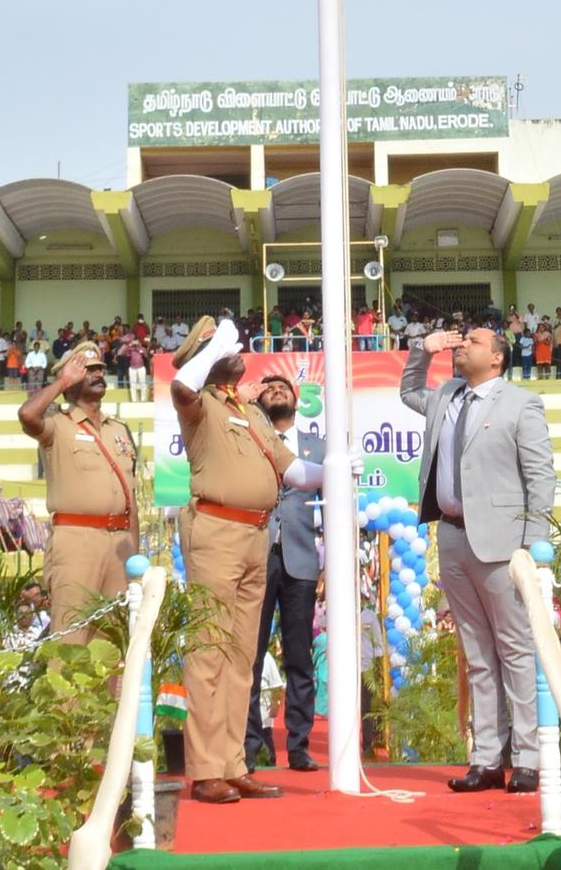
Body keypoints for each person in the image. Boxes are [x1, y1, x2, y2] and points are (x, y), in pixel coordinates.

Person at [171, 316, 331, 805]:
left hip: (255, 534)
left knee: (243, 658)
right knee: (210, 651)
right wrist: (208, 349)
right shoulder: (200, 404)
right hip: (216, 530)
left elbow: (292, 470)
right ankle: (204, 769)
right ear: (207, 354)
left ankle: (233, 763)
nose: (239, 350)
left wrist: (334, 470)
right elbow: (180, 386)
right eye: (226, 346)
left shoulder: (251, 411)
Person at [400, 323, 556, 794]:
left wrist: (531, 544)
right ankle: (487, 758)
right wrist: (420, 352)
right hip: (451, 536)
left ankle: (527, 757)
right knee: (477, 655)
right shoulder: (446, 394)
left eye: (473, 342)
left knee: (514, 649)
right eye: (461, 340)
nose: (462, 345)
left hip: (503, 542)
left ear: (497, 358)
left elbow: (540, 475)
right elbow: (409, 391)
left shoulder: (520, 402)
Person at [19, 341, 140, 644]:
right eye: (86, 370)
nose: (98, 374)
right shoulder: (56, 426)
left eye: (100, 368)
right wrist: (61, 382)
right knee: (71, 639)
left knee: (113, 645)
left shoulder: (119, 430)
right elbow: (26, 415)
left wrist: (134, 556)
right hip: (76, 540)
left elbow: (131, 500)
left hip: (120, 545)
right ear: (70, 381)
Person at [245, 375, 324, 775]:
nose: (276, 391)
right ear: (257, 401)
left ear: (297, 400)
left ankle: (299, 745)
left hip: (301, 560)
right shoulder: (247, 441)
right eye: (268, 388)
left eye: (283, 388)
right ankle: (251, 746)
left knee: (299, 657)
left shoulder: (320, 449)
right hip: (256, 557)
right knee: (251, 656)